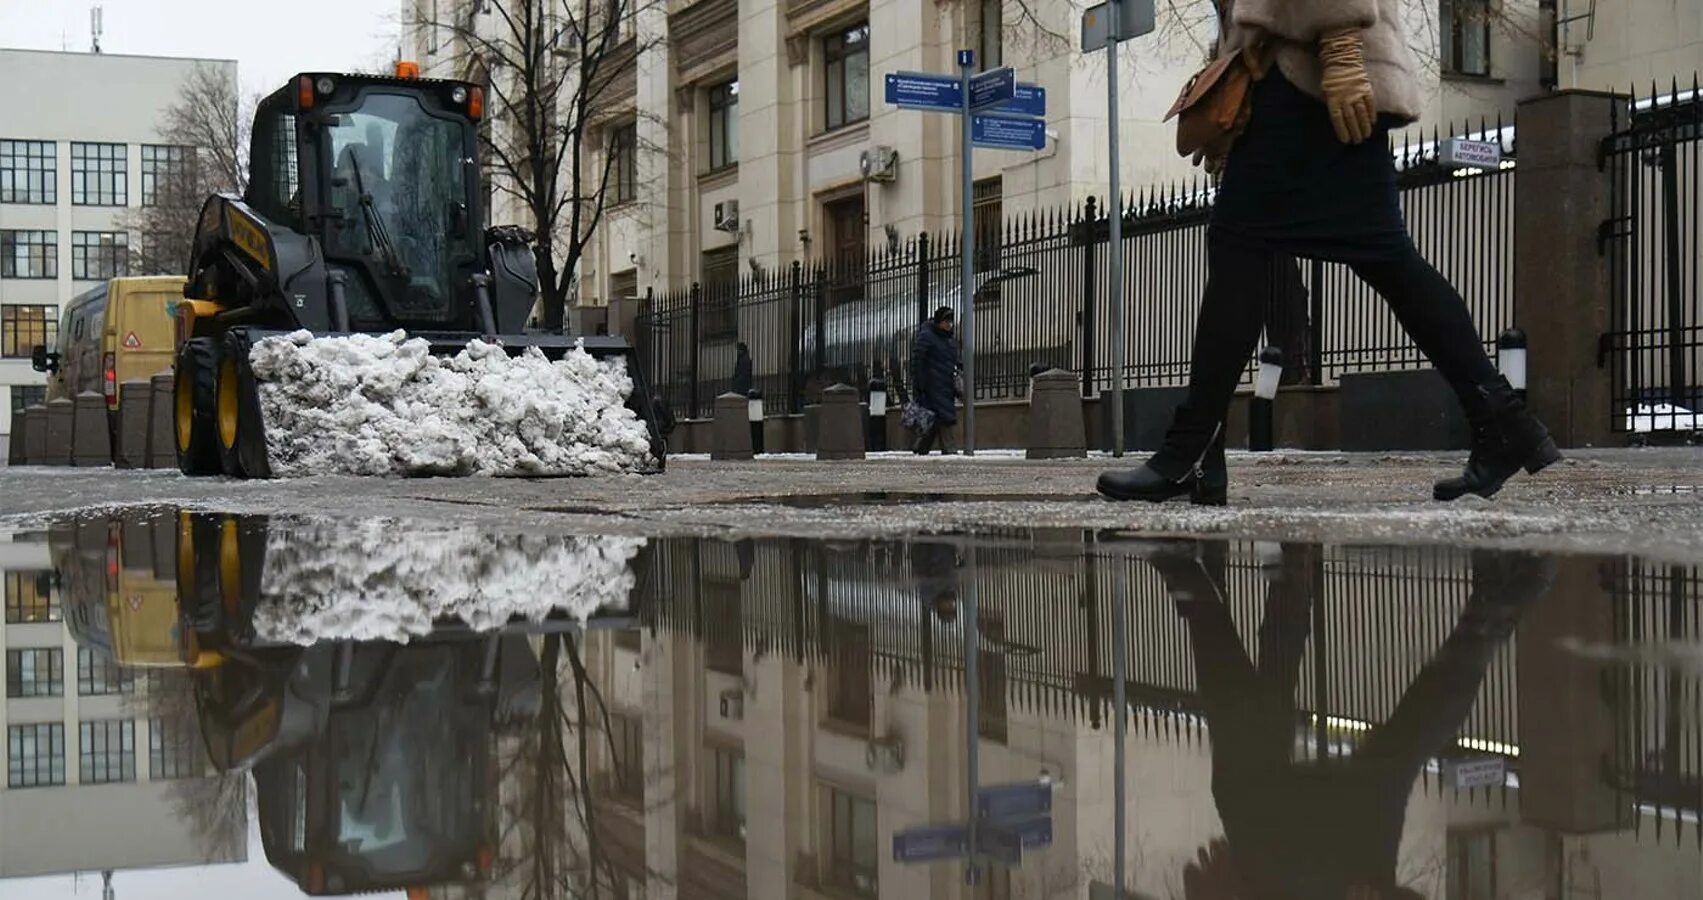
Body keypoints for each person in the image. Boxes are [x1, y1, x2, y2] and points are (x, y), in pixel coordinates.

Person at [1098, 0, 1559, 506]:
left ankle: (1190, 450)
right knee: (1378, 256)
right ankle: (1504, 423)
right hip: (1312, 70)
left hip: (1313, 73)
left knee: (1244, 247)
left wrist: (1339, 48)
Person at [1143, 540, 1554, 899]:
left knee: (1271, 752)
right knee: (1381, 758)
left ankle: (1243, 588)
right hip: (1331, 848)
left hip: (1293, 839)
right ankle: (1207, 592)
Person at [911, 306, 961, 454]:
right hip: (931, 386)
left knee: (934, 419)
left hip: (945, 385)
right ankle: (949, 450)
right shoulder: (927, 336)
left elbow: (955, 360)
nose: (949, 324)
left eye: (950, 321)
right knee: (943, 418)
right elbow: (917, 361)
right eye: (946, 321)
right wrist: (920, 383)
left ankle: (921, 447)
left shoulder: (949, 340)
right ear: (939, 321)